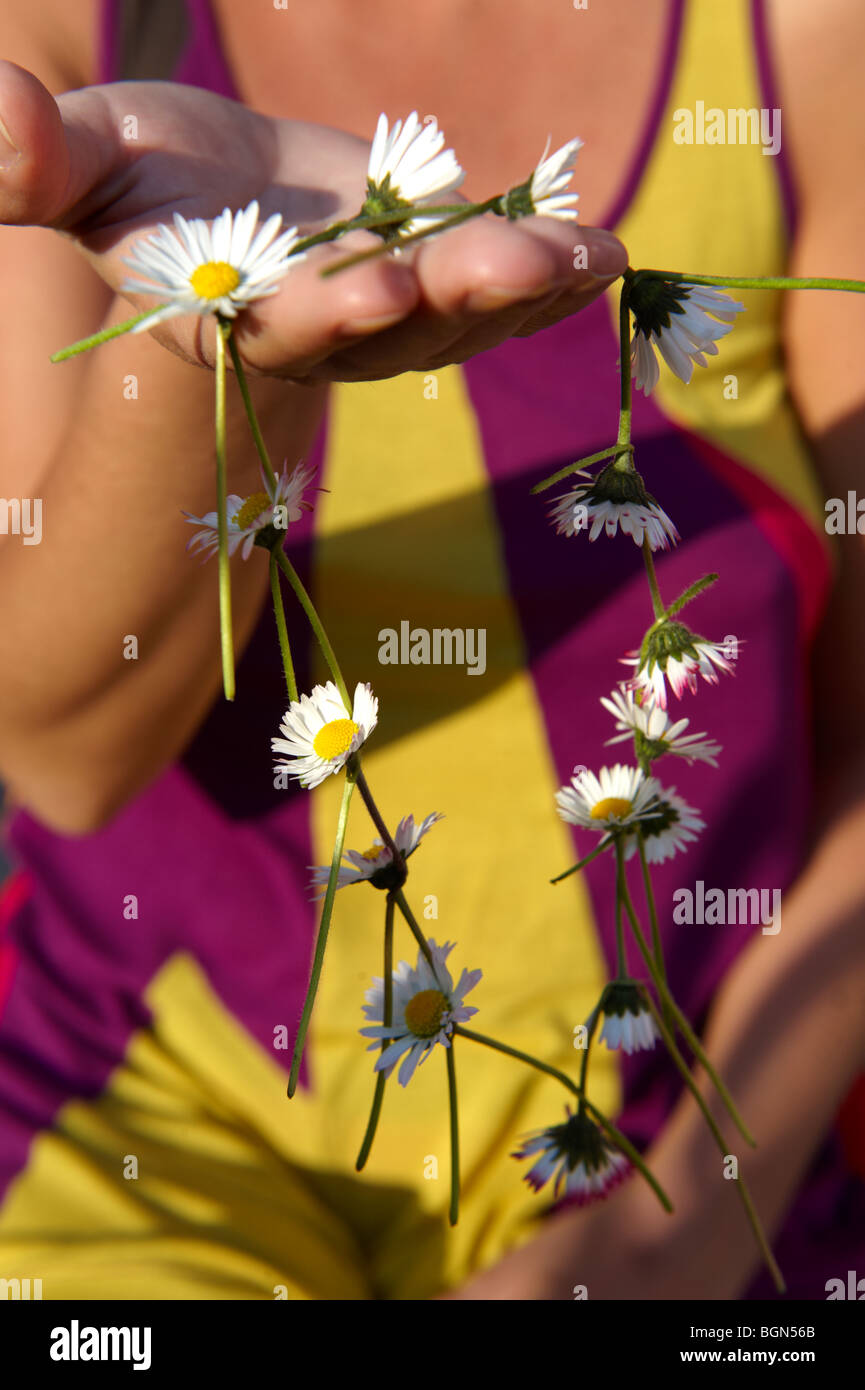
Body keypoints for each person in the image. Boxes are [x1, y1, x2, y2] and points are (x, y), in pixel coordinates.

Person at [0, 0, 863, 1301]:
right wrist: (221, 343)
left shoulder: (805, 45)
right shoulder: (76, 46)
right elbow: (63, 752)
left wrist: (678, 1231)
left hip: (709, 1137)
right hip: (137, 1126)